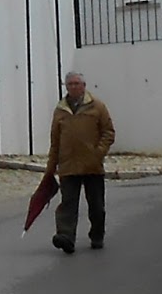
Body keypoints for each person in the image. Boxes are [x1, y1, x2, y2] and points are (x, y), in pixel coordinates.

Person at [44, 70, 116, 254]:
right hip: (68, 165)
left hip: (92, 165)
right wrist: (51, 167)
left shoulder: (97, 106)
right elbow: (55, 141)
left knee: (96, 205)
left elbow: (108, 132)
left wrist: (98, 153)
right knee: (67, 204)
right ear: (66, 87)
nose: (74, 87)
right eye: (70, 84)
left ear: (84, 86)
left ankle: (97, 235)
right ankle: (66, 236)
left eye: (77, 83)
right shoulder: (60, 111)